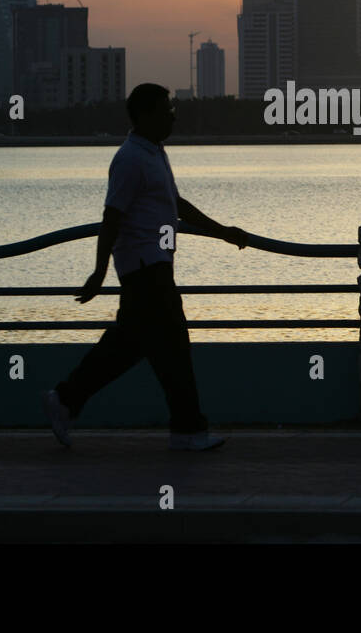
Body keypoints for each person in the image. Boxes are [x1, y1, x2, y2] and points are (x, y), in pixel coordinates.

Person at [43, 83, 250, 450]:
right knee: (172, 345)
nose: (173, 115)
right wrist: (99, 271)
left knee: (130, 345)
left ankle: (66, 398)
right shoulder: (129, 160)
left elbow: (176, 204)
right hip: (143, 267)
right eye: (166, 110)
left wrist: (222, 231)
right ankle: (188, 430)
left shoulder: (154, 152)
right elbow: (112, 216)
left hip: (156, 266)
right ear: (144, 115)